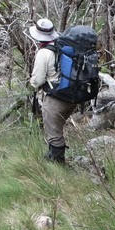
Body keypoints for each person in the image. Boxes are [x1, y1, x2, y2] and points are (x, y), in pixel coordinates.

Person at [28, 17, 76, 164]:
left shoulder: (43, 53)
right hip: (71, 94)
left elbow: (37, 81)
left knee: (54, 134)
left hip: (55, 99)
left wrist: (31, 82)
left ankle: (57, 165)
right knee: (58, 129)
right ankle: (54, 157)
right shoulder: (63, 45)